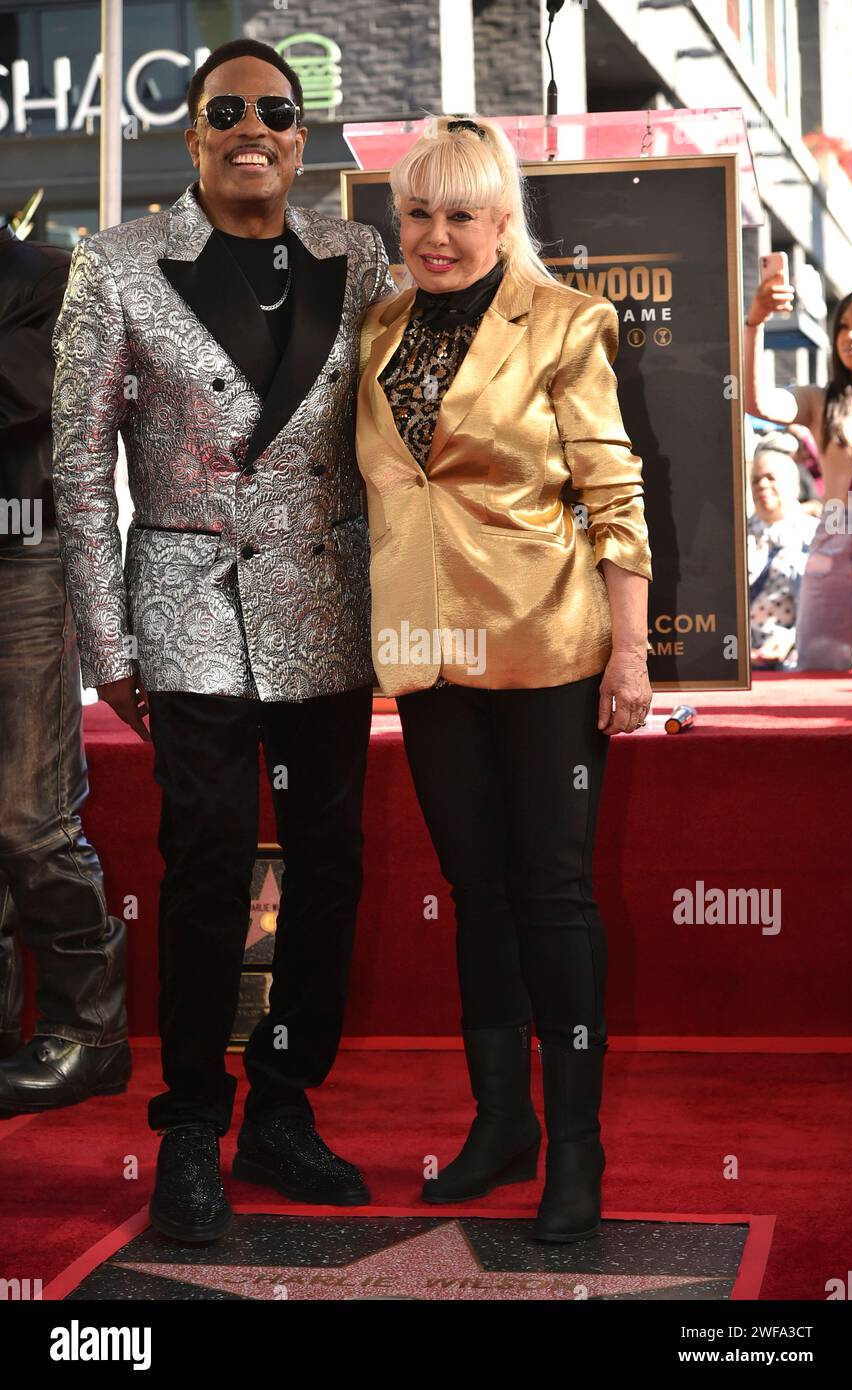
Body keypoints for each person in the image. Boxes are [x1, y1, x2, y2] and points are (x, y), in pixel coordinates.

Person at [51, 39, 395, 1243]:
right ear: (192, 132)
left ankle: (285, 1104)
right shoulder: (119, 263)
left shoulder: (356, 259)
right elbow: (80, 471)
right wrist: (110, 644)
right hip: (188, 612)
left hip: (326, 613)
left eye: (278, 112)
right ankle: (192, 1121)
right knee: (202, 869)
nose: (256, 129)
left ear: (303, 135)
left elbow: (410, 422)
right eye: (228, 111)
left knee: (328, 866)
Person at [355, 116, 653, 1242]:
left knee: (554, 895)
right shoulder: (380, 328)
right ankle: (500, 1126)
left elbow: (613, 498)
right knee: (476, 895)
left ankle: (575, 1147)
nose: (437, 236)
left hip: (543, 649)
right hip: (430, 660)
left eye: (460, 215)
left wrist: (627, 653)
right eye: (418, 214)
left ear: (500, 219)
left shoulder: (565, 323)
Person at [0, 218, 130, 1107]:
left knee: (30, 816)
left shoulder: (50, 276)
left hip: (25, 559)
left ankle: (90, 1031)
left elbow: (41, 398)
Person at [745, 277, 852, 669]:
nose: (851, 337)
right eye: (843, 327)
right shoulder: (821, 401)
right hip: (834, 536)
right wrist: (755, 321)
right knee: (819, 670)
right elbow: (758, 401)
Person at [748, 434, 819, 670]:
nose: (762, 485)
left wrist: (792, 639)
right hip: (739, 663)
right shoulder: (734, 537)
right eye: (756, 480)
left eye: (770, 478)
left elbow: (828, 608)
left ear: (793, 484)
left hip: (795, 662)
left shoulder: (815, 536)